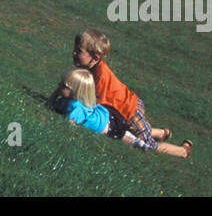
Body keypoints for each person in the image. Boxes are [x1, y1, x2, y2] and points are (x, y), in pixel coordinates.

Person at [73, 28, 189, 155]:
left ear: (95, 58)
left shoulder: (101, 77)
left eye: (79, 51)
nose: (73, 53)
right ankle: (161, 133)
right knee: (133, 130)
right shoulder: (89, 68)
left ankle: (183, 151)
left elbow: (95, 107)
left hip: (131, 111)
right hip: (122, 110)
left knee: (148, 147)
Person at [48, 68, 191, 158]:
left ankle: (183, 152)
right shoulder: (70, 101)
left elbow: (69, 125)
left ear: (76, 92)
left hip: (110, 125)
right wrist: (58, 92)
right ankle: (160, 133)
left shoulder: (76, 108)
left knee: (137, 142)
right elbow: (51, 105)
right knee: (130, 132)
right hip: (108, 115)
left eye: (63, 85)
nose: (59, 85)